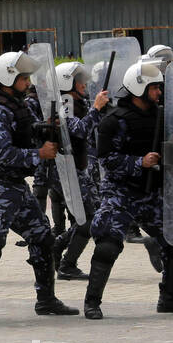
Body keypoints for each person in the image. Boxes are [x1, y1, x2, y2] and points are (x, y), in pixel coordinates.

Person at [0, 51, 78, 320]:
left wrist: (45, 128)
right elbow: (3, 154)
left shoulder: (16, 104)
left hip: (14, 186)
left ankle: (46, 299)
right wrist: (39, 154)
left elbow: (23, 131)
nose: (27, 82)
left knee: (42, 236)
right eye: (23, 78)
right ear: (9, 78)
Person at [83, 62, 173, 319]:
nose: (159, 92)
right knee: (107, 245)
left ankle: (168, 299)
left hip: (153, 192)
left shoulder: (163, 117)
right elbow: (106, 161)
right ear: (139, 88)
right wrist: (139, 162)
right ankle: (92, 302)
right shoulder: (113, 120)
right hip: (120, 192)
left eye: (160, 87)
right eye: (155, 87)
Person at [54, 61, 111, 280]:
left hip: (81, 168)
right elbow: (77, 130)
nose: (84, 84)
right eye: (79, 80)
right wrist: (96, 109)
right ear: (68, 82)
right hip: (69, 169)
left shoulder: (78, 100)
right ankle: (67, 264)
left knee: (92, 217)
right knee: (88, 221)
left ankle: (58, 247)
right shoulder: (65, 102)